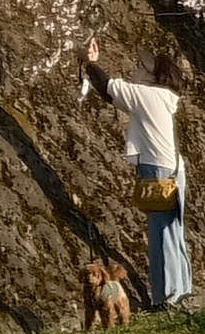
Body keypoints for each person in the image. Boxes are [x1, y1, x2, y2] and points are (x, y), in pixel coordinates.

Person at [78, 57, 193, 319]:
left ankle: (167, 298)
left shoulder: (147, 95)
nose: (136, 70)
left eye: (143, 68)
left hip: (158, 172)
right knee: (173, 233)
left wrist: (90, 62)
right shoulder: (165, 97)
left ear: (154, 77)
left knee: (160, 234)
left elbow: (109, 88)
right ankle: (181, 290)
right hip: (174, 171)